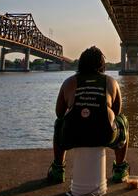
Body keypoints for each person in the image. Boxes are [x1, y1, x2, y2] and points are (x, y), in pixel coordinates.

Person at [47, 46, 130, 184]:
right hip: (105, 136)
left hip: (72, 136)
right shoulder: (111, 82)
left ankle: (58, 169)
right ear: (102, 65)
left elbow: (59, 113)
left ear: (81, 63)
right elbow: (117, 112)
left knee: (60, 122)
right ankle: (120, 169)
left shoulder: (68, 82)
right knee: (123, 120)